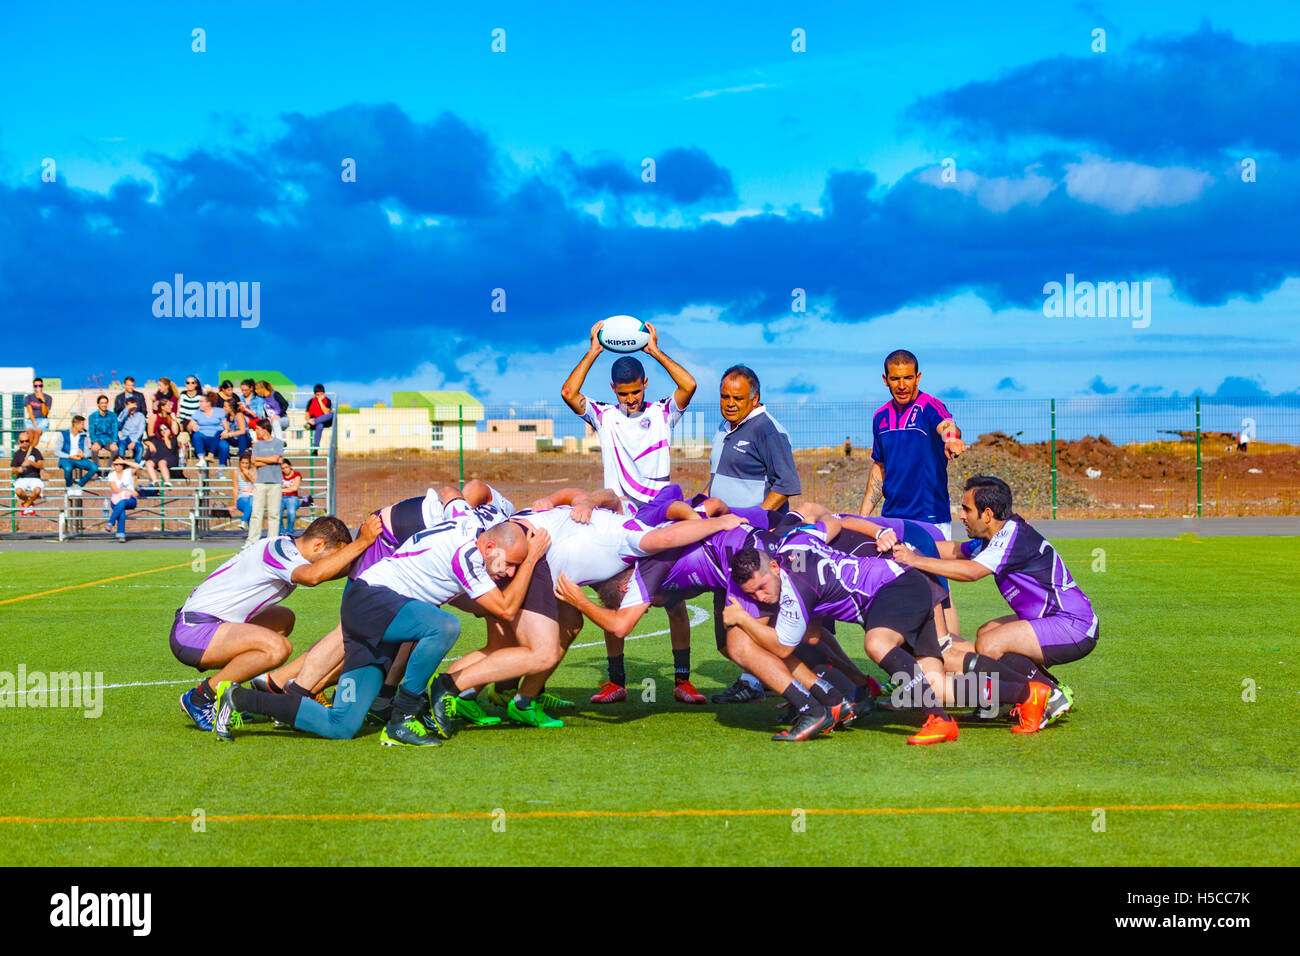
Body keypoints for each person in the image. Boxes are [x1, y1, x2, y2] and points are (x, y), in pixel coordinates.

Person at [211, 518, 546, 746]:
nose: (511, 570)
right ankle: (403, 717)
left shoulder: (470, 528)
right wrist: (531, 561)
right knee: (444, 626)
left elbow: (460, 497)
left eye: (517, 564)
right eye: (510, 561)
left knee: (341, 725)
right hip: (373, 603)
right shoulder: (468, 554)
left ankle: (237, 698)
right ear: (489, 547)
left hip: (375, 614)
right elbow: (505, 608)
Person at [432, 508, 747, 729]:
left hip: (532, 545)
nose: (643, 602)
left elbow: (607, 497)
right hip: (534, 554)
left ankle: (518, 699)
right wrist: (720, 524)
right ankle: (453, 689)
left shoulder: (624, 521)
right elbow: (664, 539)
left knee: (566, 627)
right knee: (541, 652)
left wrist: (586, 502)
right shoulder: (639, 538)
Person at [560, 320, 701, 704]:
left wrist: (654, 350)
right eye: (623, 394)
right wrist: (593, 351)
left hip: (660, 520)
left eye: (635, 392)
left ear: (644, 385)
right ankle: (616, 681)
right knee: (612, 599)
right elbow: (569, 392)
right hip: (618, 525)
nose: (630, 400)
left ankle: (682, 680)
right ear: (613, 390)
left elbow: (688, 386)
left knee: (673, 601)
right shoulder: (604, 416)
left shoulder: (662, 413)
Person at [888, 475, 1091, 732]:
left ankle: (1047, 697)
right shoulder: (996, 536)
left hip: (1072, 623)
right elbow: (955, 551)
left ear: (986, 514)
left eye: (966, 509)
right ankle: (1044, 689)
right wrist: (904, 547)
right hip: (1053, 616)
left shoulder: (1011, 536)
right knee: (986, 633)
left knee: (990, 643)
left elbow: (972, 572)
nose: (961, 515)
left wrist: (914, 561)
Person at [725, 533, 959, 745]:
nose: (760, 597)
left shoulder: (794, 590)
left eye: (762, 587)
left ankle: (939, 719)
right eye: (751, 594)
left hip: (896, 586)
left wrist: (743, 619)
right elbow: (831, 521)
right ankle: (992, 687)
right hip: (900, 585)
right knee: (939, 682)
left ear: (774, 568)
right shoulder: (794, 543)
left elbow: (783, 648)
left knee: (877, 644)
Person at [174, 514, 382, 732]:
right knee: (277, 649)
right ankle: (200, 697)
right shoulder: (280, 551)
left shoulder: (291, 550)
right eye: (335, 556)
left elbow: (330, 570)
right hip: (193, 631)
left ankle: (252, 688)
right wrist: (362, 542)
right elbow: (313, 577)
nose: (335, 563)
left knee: (283, 619)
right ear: (318, 545)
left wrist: (371, 557)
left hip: (212, 625)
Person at [706, 364, 802, 703]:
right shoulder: (724, 426)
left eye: (738, 398)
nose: (730, 403)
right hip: (723, 540)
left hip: (751, 542)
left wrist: (752, 522)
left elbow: (787, 485)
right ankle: (762, 678)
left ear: (755, 398)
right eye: (724, 396)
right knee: (725, 628)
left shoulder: (767, 429)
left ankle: (755, 681)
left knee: (748, 616)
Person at [858, 349, 965, 537]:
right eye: (895, 379)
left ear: (918, 377)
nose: (901, 385)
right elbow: (880, 467)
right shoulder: (879, 417)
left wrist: (951, 439)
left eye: (908, 378)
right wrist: (863, 518)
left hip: (931, 520)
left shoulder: (930, 406)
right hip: (891, 521)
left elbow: (946, 424)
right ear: (885, 379)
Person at [245, 419, 284, 547]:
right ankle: (251, 541)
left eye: (257, 428)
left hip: (275, 482)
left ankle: (271, 541)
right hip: (260, 482)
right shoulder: (256, 445)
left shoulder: (278, 443)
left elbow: (276, 458)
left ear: (264, 428)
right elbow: (254, 462)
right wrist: (271, 460)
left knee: (274, 514)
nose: (256, 431)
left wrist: (262, 459)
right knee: (256, 513)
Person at [56, 415, 98, 497]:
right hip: (66, 458)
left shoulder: (83, 435)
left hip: (79, 459)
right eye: (82, 424)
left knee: (94, 468)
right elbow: (57, 452)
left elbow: (87, 453)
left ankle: (78, 486)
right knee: (68, 468)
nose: (84, 426)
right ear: (75, 424)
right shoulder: (63, 434)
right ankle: (69, 487)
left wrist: (83, 455)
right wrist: (69, 456)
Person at [105, 455, 142, 542]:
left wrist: (124, 461)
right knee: (121, 511)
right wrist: (128, 490)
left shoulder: (128, 472)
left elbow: (138, 466)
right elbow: (115, 490)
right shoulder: (111, 475)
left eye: (120, 464)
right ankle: (121, 535)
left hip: (130, 499)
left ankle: (111, 522)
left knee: (122, 503)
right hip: (116, 500)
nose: (118, 466)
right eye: (116, 464)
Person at [187, 392, 228, 466]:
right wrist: (192, 427)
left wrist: (226, 431)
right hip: (204, 437)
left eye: (201, 401)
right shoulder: (197, 413)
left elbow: (226, 427)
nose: (199, 403)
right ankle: (201, 460)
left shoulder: (219, 411)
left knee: (224, 446)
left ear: (208, 403)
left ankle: (221, 469)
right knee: (196, 435)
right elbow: (189, 427)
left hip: (217, 437)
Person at [10, 430, 45, 515]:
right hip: (22, 478)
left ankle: (26, 505)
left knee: (37, 490)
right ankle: (29, 503)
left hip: (34, 477)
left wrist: (31, 462)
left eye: (27, 441)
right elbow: (13, 470)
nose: (25, 443)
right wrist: (19, 469)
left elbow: (41, 465)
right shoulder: (17, 454)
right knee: (18, 491)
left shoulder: (35, 451)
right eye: (22, 441)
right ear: (19, 442)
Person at [142, 421, 182, 487]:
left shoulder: (173, 439)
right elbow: (145, 440)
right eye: (161, 430)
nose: (164, 431)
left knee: (161, 463)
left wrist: (166, 436)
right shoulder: (156, 438)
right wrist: (150, 444)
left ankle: (167, 482)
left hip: (170, 458)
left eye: (165, 428)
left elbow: (170, 448)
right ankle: (155, 481)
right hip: (158, 457)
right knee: (148, 463)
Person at [87, 394, 119, 463]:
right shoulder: (92, 416)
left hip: (109, 439)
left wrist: (114, 442)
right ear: (98, 404)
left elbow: (115, 430)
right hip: (98, 439)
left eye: (105, 403)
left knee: (115, 450)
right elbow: (91, 431)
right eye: (102, 403)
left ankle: (106, 471)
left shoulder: (113, 415)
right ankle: (98, 472)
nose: (104, 405)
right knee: (94, 450)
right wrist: (95, 442)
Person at [227, 452, 255, 528]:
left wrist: (248, 475)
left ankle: (244, 523)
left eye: (247, 463)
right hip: (242, 498)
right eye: (242, 463)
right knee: (251, 504)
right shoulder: (236, 472)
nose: (244, 465)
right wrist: (235, 503)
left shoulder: (254, 471)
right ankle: (245, 525)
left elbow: (257, 485)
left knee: (252, 503)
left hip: (254, 498)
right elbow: (235, 488)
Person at [117, 398, 147, 463]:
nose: (132, 409)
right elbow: (118, 422)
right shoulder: (123, 415)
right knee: (121, 447)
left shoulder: (140, 416)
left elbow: (141, 430)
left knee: (140, 448)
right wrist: (126, 410)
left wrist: (134, 441)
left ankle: (135, 467)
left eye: (134, 406)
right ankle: (122, 466)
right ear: (126, 406)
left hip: (135, 438)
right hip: (124, 438)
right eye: (131, 407)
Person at [305, 384, 334, 451]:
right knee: (320, 425)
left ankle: (313, 422)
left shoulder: (328, 401)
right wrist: (308, 420)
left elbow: (326, 412)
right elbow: (307, 414)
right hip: (314, 420)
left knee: (331, 414)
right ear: (315, 394)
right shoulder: (311, 401)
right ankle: (315, 448)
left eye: (321, 394)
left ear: (324, 393)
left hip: (324, 420)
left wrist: (320, 401)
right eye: (317, 395)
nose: (319, 396)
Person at [24, 378, 51, 448]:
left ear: (42, 386)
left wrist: (43, 401)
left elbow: (45, 414)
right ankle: (29, 452)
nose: (38, 387)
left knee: (37, 434)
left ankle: (30, 451)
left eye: (40, 386)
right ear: (33, 387)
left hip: (42, 420)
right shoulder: (28, 397)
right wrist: (35, 424)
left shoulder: (48, 398)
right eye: (36, 386)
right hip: (31, 420)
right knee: (30, 435)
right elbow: (30, 412)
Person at [279, 458, 302, 534]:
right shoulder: (279, 475)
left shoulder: (297, 475)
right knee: (276, 512)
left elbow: (294, 488)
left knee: (291, 512)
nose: (285, 470)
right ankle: (281, 532)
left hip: (292, 498)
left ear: (290, 466)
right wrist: (288, 489)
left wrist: (281, 490)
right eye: (282, 468)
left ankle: (289, 532)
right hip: (281, 498)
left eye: (286, 467)